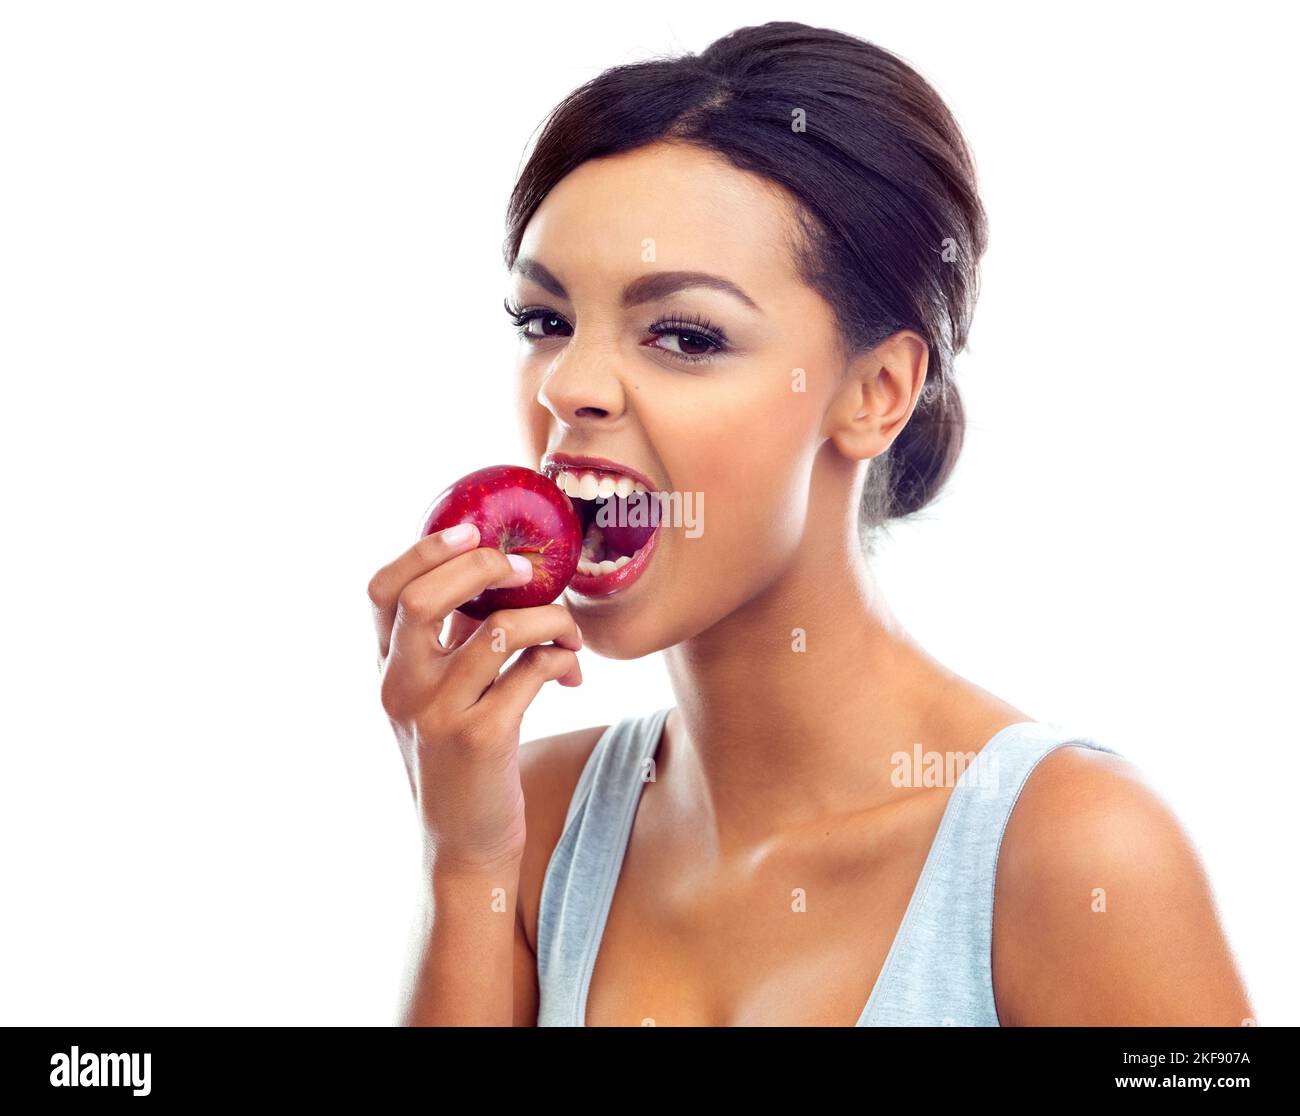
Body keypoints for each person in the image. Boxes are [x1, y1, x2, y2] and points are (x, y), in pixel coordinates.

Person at [368, 21, 1254, 1026]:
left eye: (686, 335)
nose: (570, 385)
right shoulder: (529, 825)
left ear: (876, 392)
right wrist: (463, 864)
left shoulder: (1077, 852)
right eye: (546, 323)